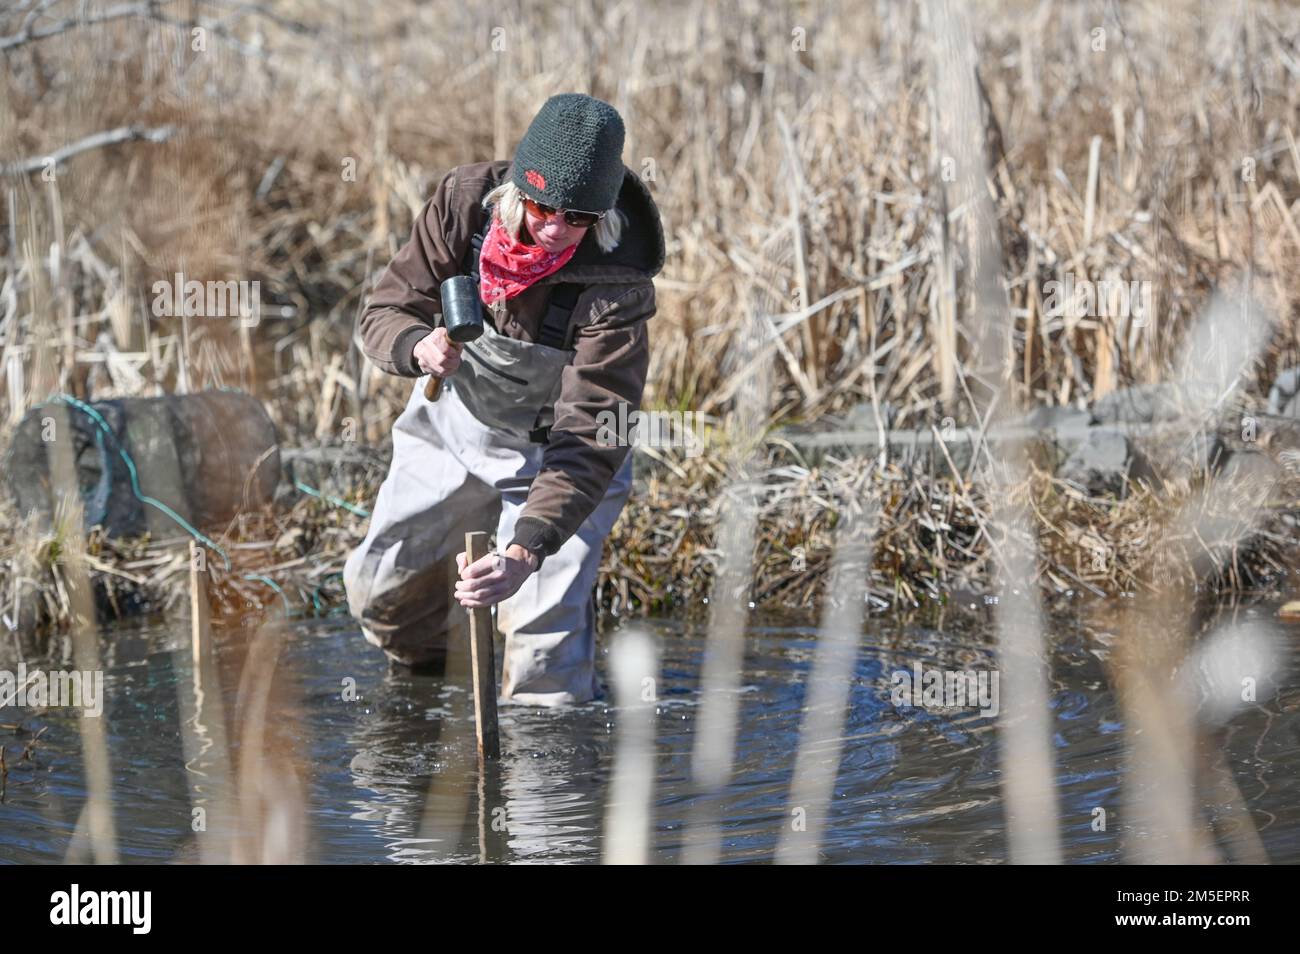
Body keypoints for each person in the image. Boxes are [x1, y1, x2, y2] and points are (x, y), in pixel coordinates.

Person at [344, 93, 664, 706]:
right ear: (518, 187)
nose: (554, 228)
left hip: (557, 461)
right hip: (450, 425)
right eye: (543, 206)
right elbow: (386, 308)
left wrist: (524, 549)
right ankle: (436, 706)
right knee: (382, 593)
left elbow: (595, 429)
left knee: (545, 670)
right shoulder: (463, 203)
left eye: (578, 217)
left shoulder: (617, 284)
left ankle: (547, 789)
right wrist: (417, 346)